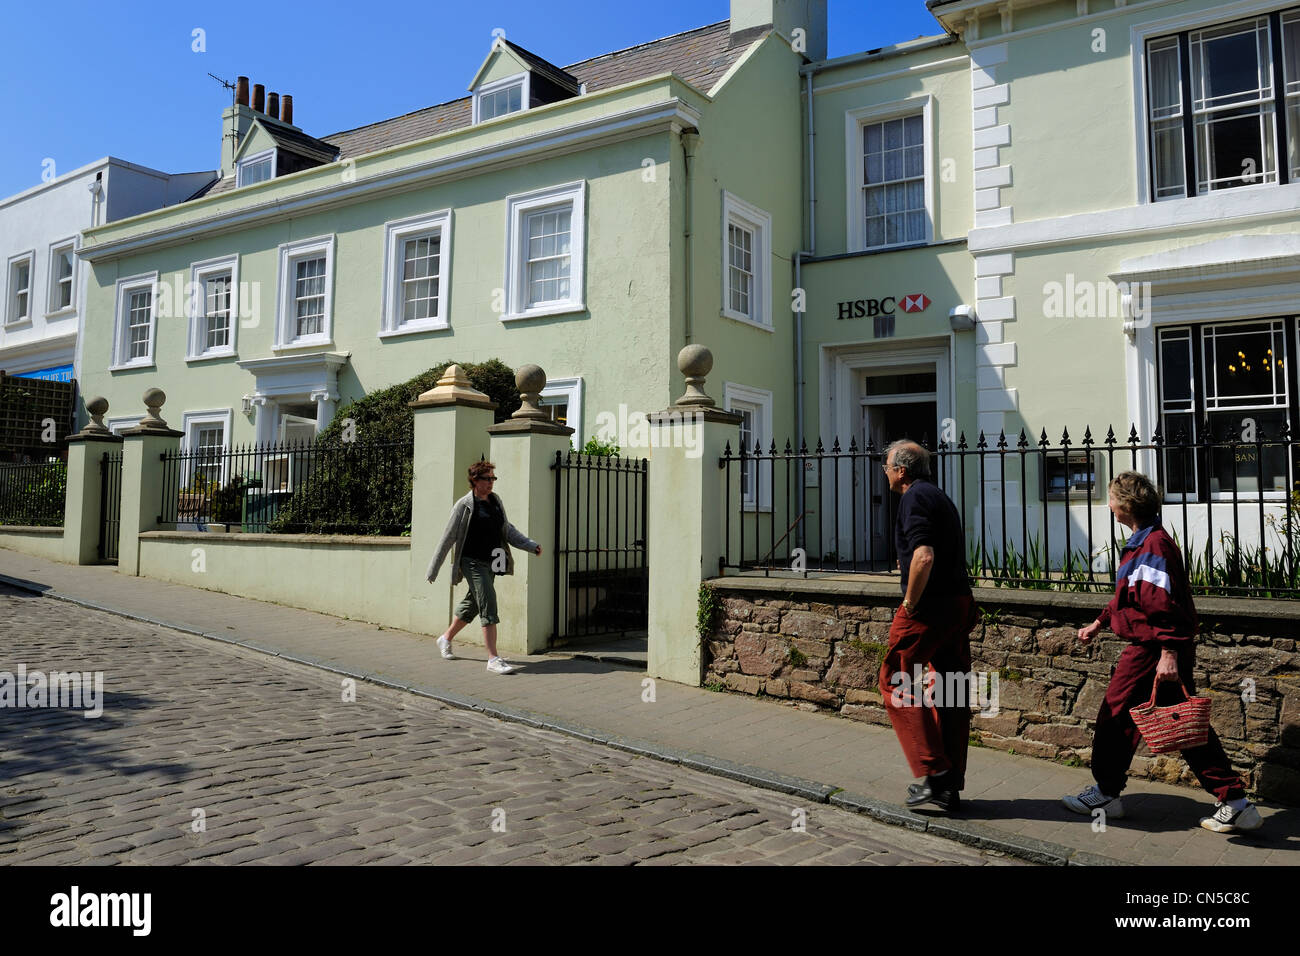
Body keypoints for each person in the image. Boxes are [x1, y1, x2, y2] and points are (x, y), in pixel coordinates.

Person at [1064, 471, 1262, 833]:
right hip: (1157, 648)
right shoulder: (1145, 542)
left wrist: (1168, 652)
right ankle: (1235, 802)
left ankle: (1108, 793)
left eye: (1110, 499)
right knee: (1184, 726)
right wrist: (1100, 622)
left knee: (1116, 717)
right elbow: (1132, 595)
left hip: (1153, 650)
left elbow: (1162, 604)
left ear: (1124, 505)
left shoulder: (1152, 545)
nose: (1108, 506)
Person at [878, 439, 977, 813]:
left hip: (930, 609)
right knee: (950, 690)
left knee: (895, 679)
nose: (884, 471)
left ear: (901, 471)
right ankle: (950, 784)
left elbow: (924, 555)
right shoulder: (938, 496)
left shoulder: (913, 498)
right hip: (958, 605)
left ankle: (935, 774)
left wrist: (909, 604)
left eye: (887, 465)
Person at [426, 460, 542, 675]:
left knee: (473, 603)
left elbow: (506, 529)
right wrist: (434, 568)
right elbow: (448, 538)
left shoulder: (495, 501)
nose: (491, 483)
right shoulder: (465, 505)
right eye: (487, 478)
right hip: (471, 561)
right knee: (488, 601)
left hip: (492, 561)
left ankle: (445, 638)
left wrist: (530, 545)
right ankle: (493, 658)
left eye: (493, 478)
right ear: (475, 480)